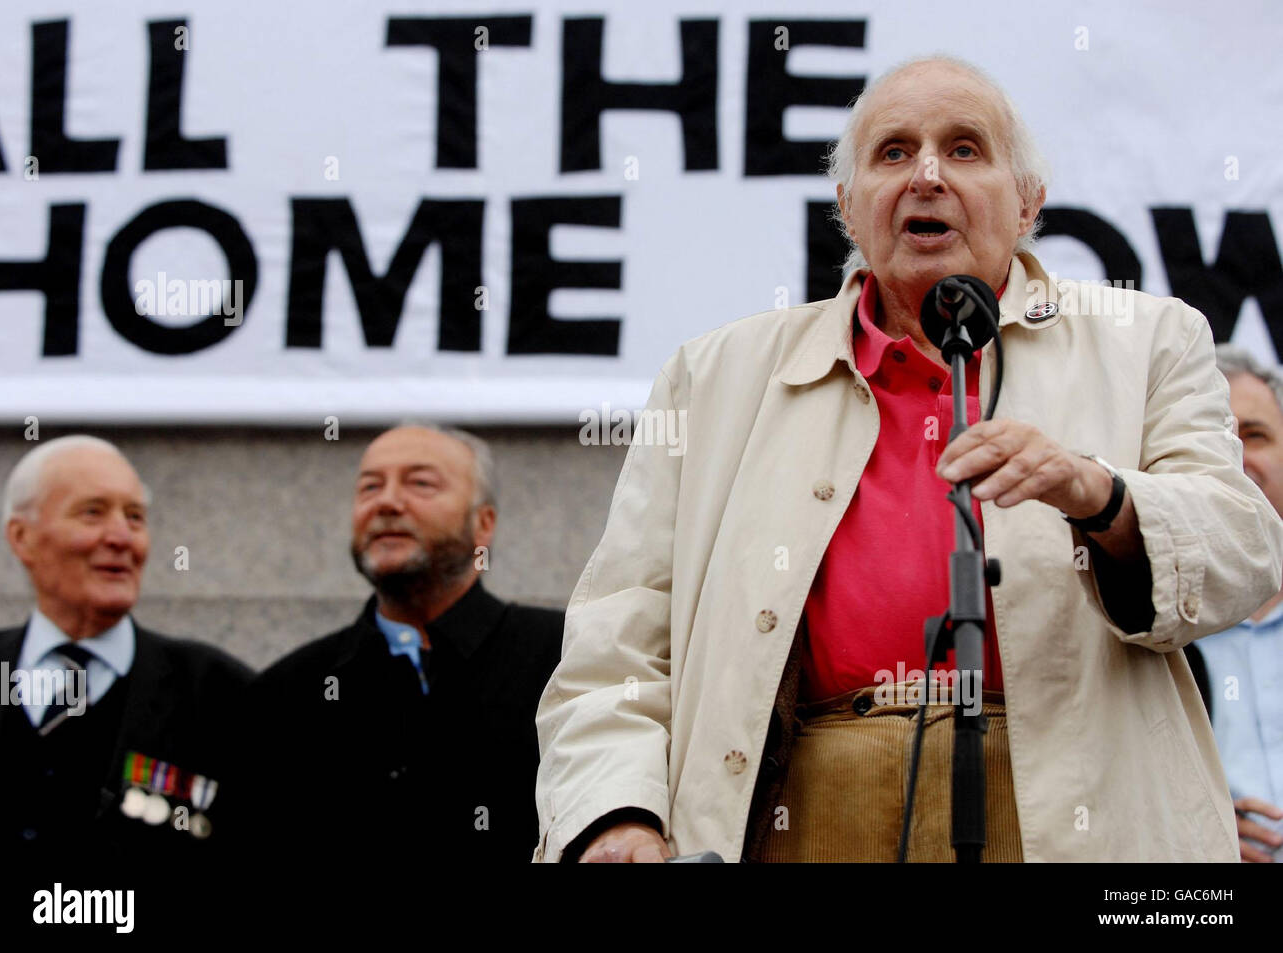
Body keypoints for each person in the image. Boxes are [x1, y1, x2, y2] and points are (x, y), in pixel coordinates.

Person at [533, 56, 1283, 863]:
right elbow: (619, 639)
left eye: (965, 149)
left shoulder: (1152, 340)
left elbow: (1245, 553)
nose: (927, 175)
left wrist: (1101, 496)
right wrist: (617, 811)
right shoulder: (714, 377)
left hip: (1067, 819)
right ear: (848, 207)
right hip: (800, 807)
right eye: (893, 152)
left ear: (1028, 201)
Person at [238, 424, 562, 863]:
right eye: (369, 486)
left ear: (483, 523)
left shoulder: (563, 659)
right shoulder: (286, 693)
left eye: (421, 484)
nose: (387, 502)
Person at [0, 435, 252, 860]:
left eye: (135, 518)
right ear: (22, 538)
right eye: (92, 513)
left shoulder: (218, 691)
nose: (121, 537)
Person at [1184, 345, 1283, 862]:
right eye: (1213, 440)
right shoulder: (1128, 628)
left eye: (1255, 435)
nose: (1236, 460)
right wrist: (1197, 831)